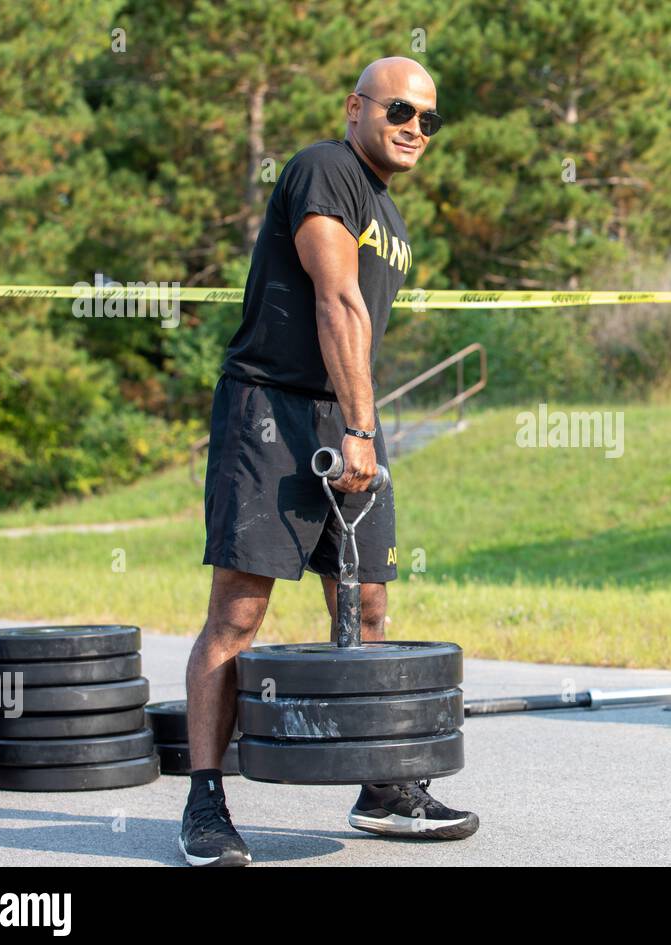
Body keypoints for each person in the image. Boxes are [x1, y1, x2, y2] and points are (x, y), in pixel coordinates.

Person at [179, 56, 478, 867]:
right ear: (356, 108)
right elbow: (337, 301)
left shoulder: (390, 211)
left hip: (343, 418)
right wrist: (360, 428)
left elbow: (360, 324)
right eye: (400, 111)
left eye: (429, 120)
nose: (415, 128)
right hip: (271, 406)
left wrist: (356, 425)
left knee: (368, 607)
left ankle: (381, 789)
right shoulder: (324, 168)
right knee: (239, 617)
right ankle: (206, 802)